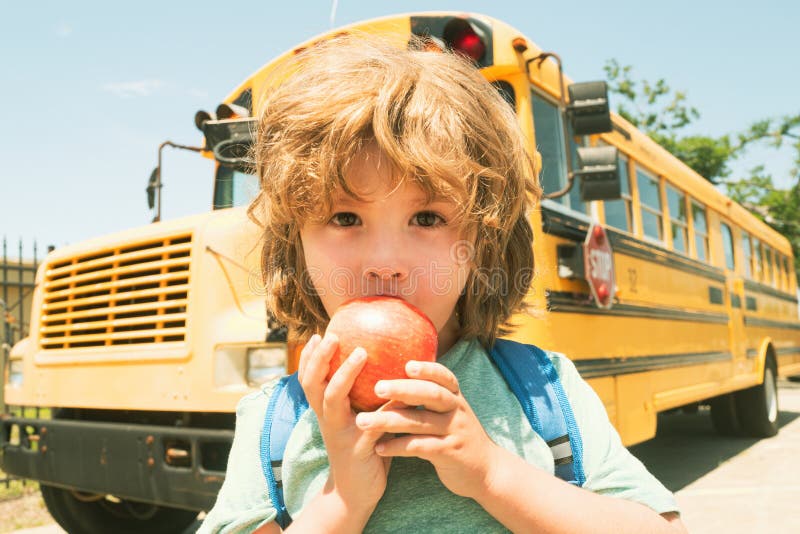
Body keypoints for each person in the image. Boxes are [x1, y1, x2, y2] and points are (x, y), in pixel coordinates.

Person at [200, 34, 687, 533]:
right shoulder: (275, 420)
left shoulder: (543, 388)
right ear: (295, 244)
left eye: (428, 218)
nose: (385, 263)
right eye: (345, 218)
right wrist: (342, 500)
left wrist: (490, 472)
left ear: (482, 242)